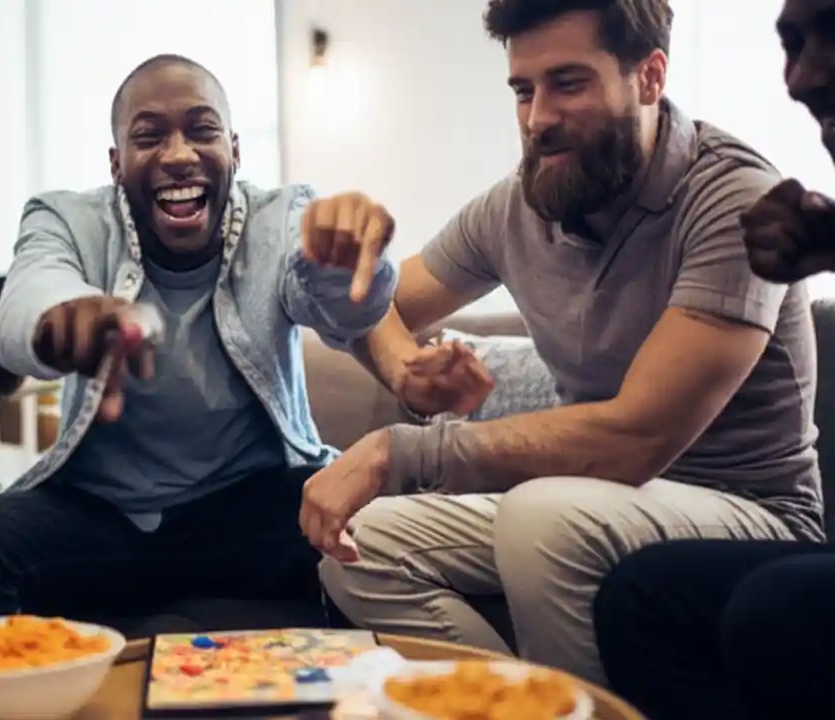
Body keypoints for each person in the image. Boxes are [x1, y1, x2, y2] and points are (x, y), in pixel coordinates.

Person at [304, 0, 821, 686]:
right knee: (363, 546)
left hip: (749, 514)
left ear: (649, 77)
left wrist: (401, 451)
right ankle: (511, 701)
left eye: (568, 83)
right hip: (594, 501)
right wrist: (399, 362)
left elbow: (636, 438)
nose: (537, 118)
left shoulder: (730, 198)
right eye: (524, 89)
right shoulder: (519, 203)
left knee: (544, 517)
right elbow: (372, 307)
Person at [0, 54, 399, 625]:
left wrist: (348, 262)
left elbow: (343, 306)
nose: (178, 156)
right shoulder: (68, 219)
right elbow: (23, 306)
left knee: (380, 531)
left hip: (250, 509)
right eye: (149, 137)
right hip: (96, 516)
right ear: (117, 162)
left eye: (202, 130)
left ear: (235, 150)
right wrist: (63, 318)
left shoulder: (281, 217)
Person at [593, 1, 835, 717]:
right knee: (645, 594)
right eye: (791, 44)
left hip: (772, 514)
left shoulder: (722, 184)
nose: (801, 76)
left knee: (777, 606)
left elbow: (636, 432)